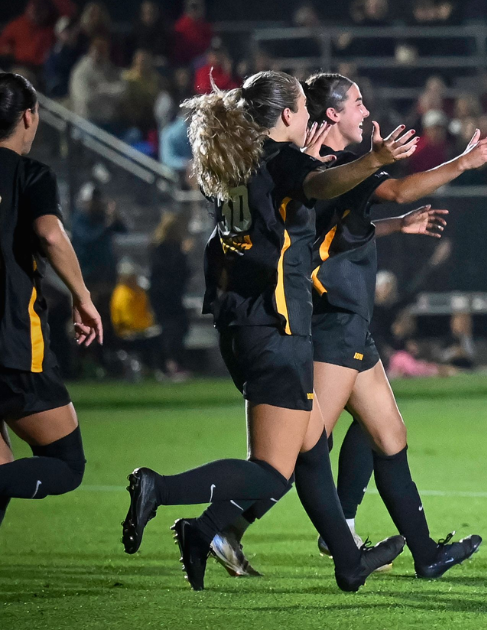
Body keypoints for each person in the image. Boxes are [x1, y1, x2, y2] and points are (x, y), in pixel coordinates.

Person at [120, 70, 417, 592]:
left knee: (312, 449)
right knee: (273, 470)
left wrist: (312, 163)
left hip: (240, 322)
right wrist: (371, 161)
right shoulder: (282, 161)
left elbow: (286, 210)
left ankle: (347, 563)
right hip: (277, 325)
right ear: (285, 115)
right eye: (302, 108)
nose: (308, 117)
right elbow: (318, 185)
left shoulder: (235, 162)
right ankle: (157, 488)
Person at [202, 72, 487, 581]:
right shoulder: (323, 167)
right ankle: (227, 524)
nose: (366, 111)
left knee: (385, 434)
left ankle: (422, 553)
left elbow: (337, 232)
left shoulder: (327, 165)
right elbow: (397, 190)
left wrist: (395, 225)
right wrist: (463, 162)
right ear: (331, 114)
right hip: (330, 320)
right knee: (305, 447)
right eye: (358, 102)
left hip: (347, 320)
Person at [0, 72, 101, 530]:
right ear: (29, 116)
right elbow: (50, 234)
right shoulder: (30, 174)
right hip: (12, 343)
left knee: (4, 474)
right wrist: (82, 297)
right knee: (66, 464)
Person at [148, 212, 192, 378]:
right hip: (165, 296)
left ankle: (171, 362)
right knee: (171, 329)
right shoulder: (162, 248)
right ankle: (170, 363)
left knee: (177, 328)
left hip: (169, 295)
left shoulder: (162, 247)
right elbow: (171, 270)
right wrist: (183, 253)